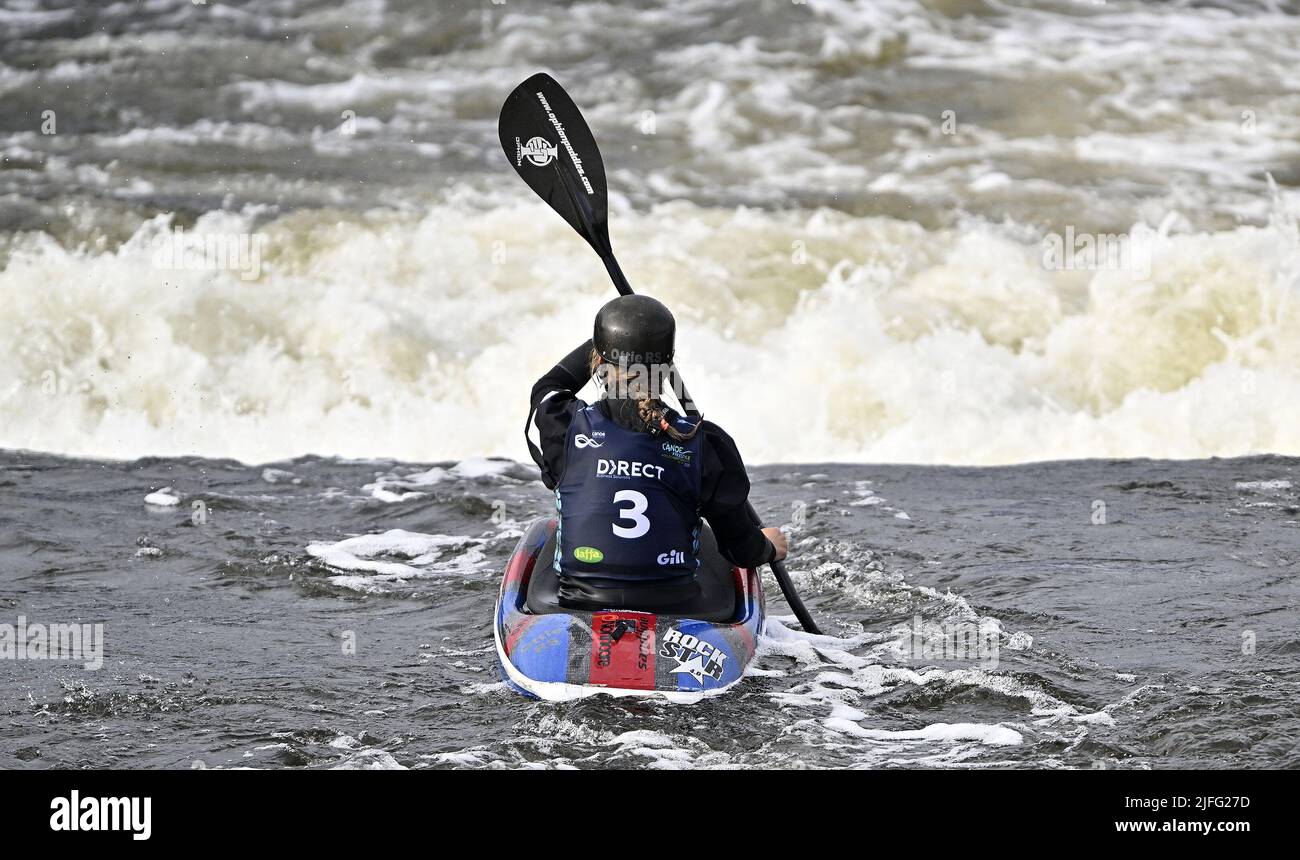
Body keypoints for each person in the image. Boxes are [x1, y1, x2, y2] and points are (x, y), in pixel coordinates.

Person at [526, 294, 788, 613]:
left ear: (598, 362)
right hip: (675, 605)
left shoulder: (564, 426)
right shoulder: (704, 441)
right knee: (705, 536)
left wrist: (613, 337)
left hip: (581, 602)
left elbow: (548, 388)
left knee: (547, 533)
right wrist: (767, 548)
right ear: (667, 366)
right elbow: (739, 549)